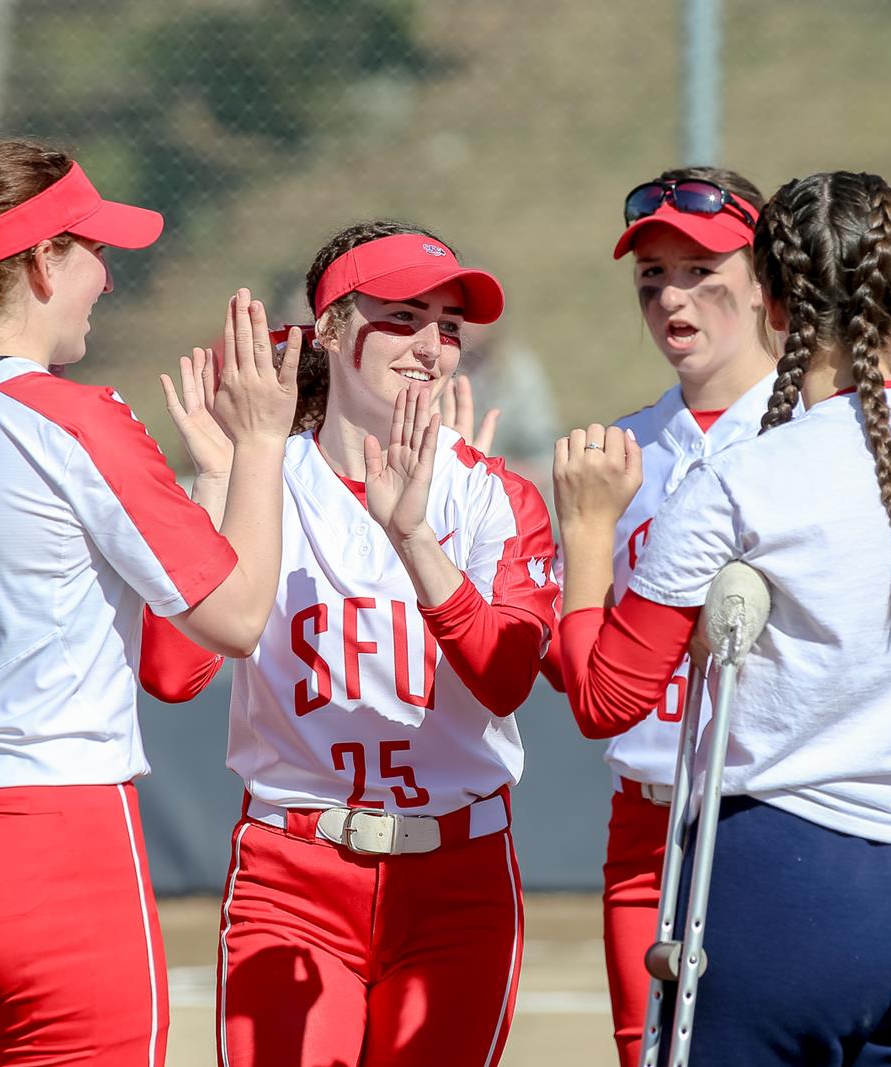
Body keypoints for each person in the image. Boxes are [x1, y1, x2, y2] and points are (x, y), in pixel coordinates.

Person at [553, 171, 891, 1066]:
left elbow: (604, 696)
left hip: (786, 878)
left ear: (773, 304)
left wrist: (590, 535)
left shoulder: (742, 482)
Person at [0, 137, 296, 1065]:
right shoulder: (69, 415)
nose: (106, 280)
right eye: (94, 253)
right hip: (44, 844)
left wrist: (206, 480)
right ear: (42, 262)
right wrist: (263, 447)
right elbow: (237, 617)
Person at [181, 221, 558, 1067]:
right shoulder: (263, 479)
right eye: (403, 316)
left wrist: (415, 538)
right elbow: (176, 673)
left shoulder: (494, 496)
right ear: (331, 329)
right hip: (293, 869)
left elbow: (504, 681)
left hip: (457, 877)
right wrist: (217, 480)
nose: (432, 345)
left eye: (450, 325)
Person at [550, 166, 776, 1067]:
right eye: (653, 274)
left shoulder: (812, 438)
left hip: (773, 815)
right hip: (645, 823)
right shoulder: (621, 450)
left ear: (767, 282)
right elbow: (583, 665)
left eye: (701, 268)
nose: (671, 295)